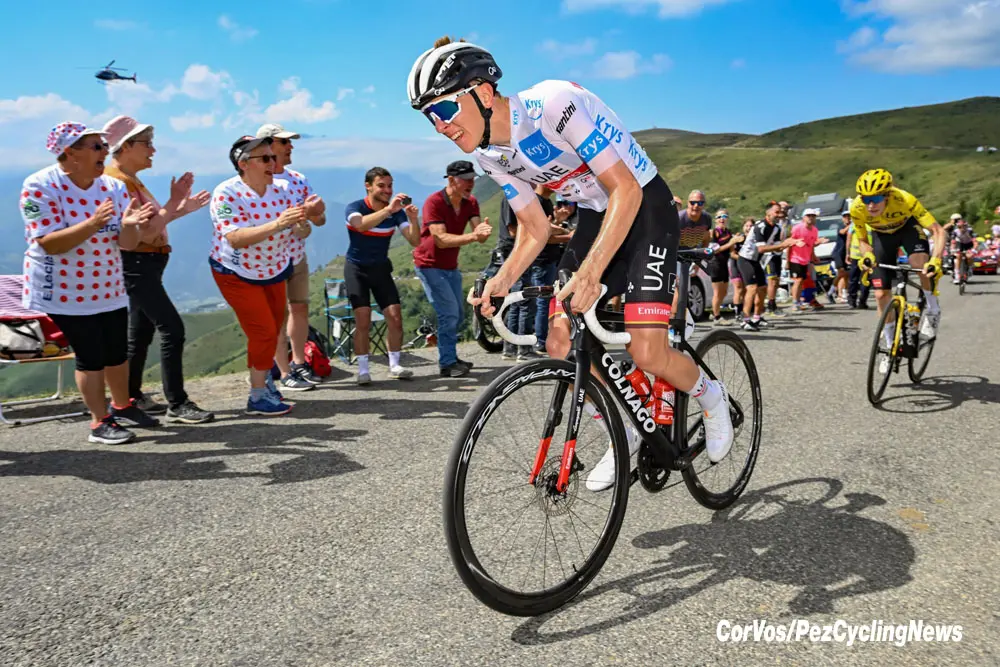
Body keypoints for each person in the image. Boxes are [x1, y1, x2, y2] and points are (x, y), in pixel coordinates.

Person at [407, 37, 735, 492]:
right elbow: (535, 226)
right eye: (429, 117)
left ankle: (712, 398)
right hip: (596, 216)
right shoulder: (487, 154)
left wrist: (592, 271)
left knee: (648, 352)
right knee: (559, 341)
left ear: (482, 92)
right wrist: (502, 279)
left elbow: (625, 189)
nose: (440, 126)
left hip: (644, 208)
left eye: (443, 110)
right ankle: (621, 433)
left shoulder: (554, 105)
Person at [19, 121, 158, 443]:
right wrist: (94, 223)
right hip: (63, 289)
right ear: (70, 153)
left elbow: (127, 244)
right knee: (91, 356)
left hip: (107, 285)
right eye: (97, 146)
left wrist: (130, 226)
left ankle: (122, 406)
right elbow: (50, 243)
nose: (105, 152)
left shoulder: (112, 187)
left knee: (117, 353)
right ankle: (99, 422)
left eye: (104, 146)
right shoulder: (40, 186)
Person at [101, 115, 215, 425]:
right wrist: (174, 202)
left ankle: (130, 396)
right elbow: (145, 234)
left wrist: (179, 208)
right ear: (125, 146)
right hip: (137, 264)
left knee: (140, 333)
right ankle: (177, 402)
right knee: (172, 329)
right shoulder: (119, 182)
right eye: (147, 144)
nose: (153, 150)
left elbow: (153, 224)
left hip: (144, 264)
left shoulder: (129, 179)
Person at [209, 135, 312, 415]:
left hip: (273, 268)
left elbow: (301, 230)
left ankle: (264, 382)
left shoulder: (282, 190)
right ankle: (257, 395)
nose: (272, 163)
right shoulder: (227, 193)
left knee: (273, 328)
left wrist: (305, 221)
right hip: (236, 271)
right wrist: (278, 223)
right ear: (243, 164)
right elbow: (235, 238)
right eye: (265, 158)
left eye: (273, 157)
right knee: (263, 331)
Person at [254, 123, 328, 392]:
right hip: (268, 259)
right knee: (277, 316)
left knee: (299, 309)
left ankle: (299, 363)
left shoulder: (298, 178)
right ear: (268, 145)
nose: (290, 146)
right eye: (284, 142)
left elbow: (319, 219)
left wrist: (314, 214)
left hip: (296, 255)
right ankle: (284, 372)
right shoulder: (257, 179)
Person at [413, 160, 492, 377]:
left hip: (450, 265)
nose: (470, 183)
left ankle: (452, 357)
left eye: (472, 178)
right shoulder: (434, 202)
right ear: (450, 180)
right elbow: (440, 240)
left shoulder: (471, 202)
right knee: (448, 313)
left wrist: (483, 232)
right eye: (465, 179)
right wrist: (475, 236)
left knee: (457, 312)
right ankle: (447, 363)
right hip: (429, 265)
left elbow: (480, 235)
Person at [343, 167, 422, 383]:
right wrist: (388, 210)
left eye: (390, 185)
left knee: (395, 318)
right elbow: (359, 225)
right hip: (356, 269)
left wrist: (413, 220)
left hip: (380, 268)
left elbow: (415, 241)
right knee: (363, 320)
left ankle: (395, 365)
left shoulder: (396, 213)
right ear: (368, 186)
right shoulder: (355, 207)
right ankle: (363, 370)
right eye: (381, 186)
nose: (387, 190)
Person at [850, 168, 946, 339]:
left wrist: (936, 260)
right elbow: (863, 241)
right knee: (880, 294)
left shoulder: (904, 199)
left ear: (887, 195)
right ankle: (889, 341)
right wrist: (867, 255)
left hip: (907, 229)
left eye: (876, 199)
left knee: (920, 265)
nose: (871, 205)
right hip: (882, 236)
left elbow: (938, 231)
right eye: (866, 199)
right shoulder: (857, 208)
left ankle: (933, 309)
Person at [737, 204, 799, 331]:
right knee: (752, 288)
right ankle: (745, 320)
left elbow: (776, 249)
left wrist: (789, 244)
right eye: (776, 212)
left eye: (780, 212)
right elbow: (761, 249)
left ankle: (757, 317)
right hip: (745, 259)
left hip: (756, 260)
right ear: (768, 213)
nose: (779, 215)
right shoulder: (760, 226)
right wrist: (783, 244)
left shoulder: (776, 228)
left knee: (762, 288)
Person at [707, 209, 742, 325]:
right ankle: (717, 317)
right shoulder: (714, 232)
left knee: (724, 292)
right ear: (715, 220)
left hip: (724, 264)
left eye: (724, 216)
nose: (722, 219)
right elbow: (715, 250)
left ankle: (715, 311)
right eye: (719, 217)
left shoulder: (728, 232)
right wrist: (731, 242)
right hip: (715, 263)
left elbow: (731, 252)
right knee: (717, 292)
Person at [788, 209, 824, 310]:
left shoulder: (814, 230)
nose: (811, 218)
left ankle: (799, 301)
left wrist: (813, 256)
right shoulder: (797, 228)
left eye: (813, 216)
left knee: (802, 281)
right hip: (795, 258)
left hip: (806, 259)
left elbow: (811, 245)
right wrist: (788, 260)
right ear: (804, 217)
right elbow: (789, 242)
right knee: (798, 280)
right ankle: (795, 303)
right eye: (809, 216)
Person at [950, 217, 976, 284]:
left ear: (966, 226)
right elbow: (953, 242)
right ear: (958, 227)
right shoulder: (955, 232)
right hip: (960, 244)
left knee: (969, 256)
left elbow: (975, 242)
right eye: (960, 227)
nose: (962, 228)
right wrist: (952, 249)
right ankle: (957, 275)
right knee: (958, 256)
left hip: (969, 244)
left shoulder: (970, 231)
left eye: (964, 226)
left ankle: (970, 268)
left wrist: (974, 249)